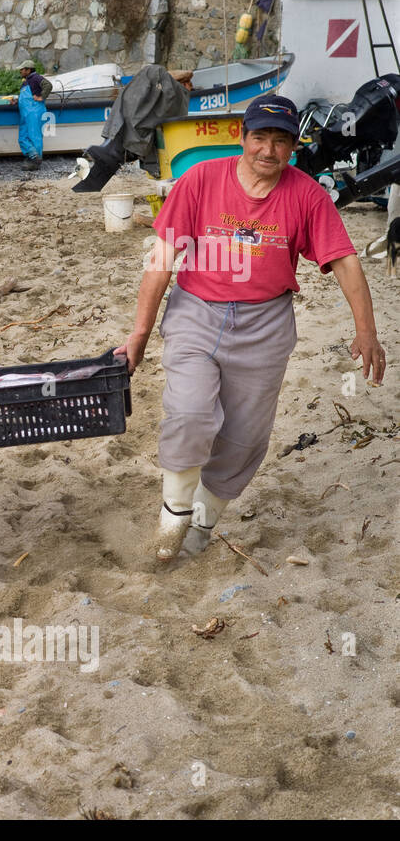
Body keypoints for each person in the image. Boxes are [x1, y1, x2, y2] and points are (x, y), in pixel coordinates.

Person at [115, 96, 386, 562]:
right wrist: (139, 333)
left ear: (294, 148)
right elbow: (161, 259)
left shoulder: (307, 195)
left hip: (266, 324)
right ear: (242, 138)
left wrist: (367, 332)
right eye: (259, 137)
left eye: (281, 141)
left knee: (244, 438)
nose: (268, 150)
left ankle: (202, 524)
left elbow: (343, 260)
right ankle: (173, 518)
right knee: (189, 412)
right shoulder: (200, 179)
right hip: (197, 313)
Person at [18, 60, 52, 170]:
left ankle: (35, 161)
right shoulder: (26, 81)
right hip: (26, 114)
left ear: (28, 70)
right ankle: (32, 156)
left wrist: (41, 97)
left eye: (22, 69)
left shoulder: (36, 78)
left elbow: (48, 85)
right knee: (23, 137)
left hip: (34, 112)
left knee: (34, 137)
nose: (20, 71)